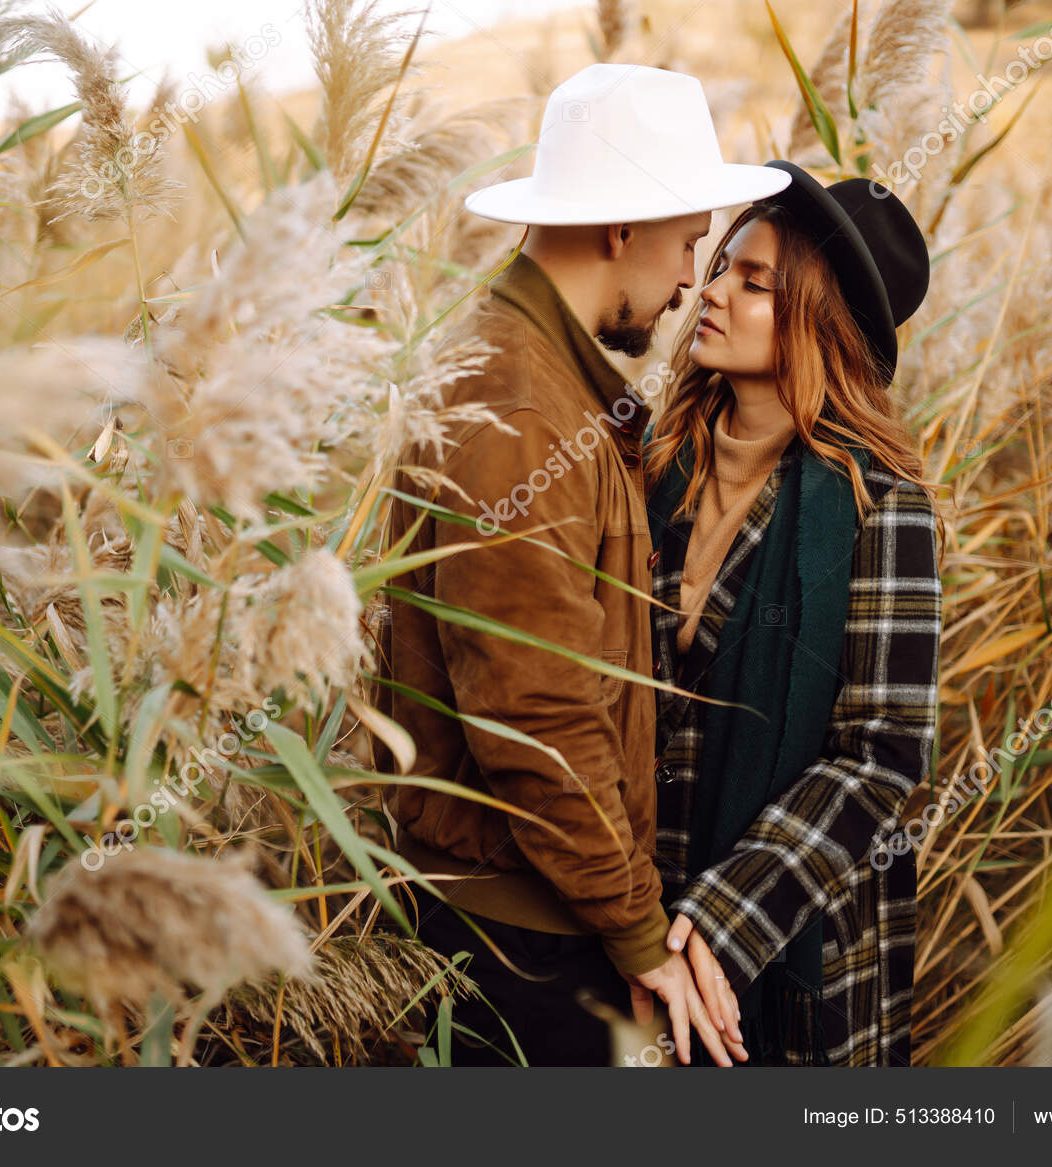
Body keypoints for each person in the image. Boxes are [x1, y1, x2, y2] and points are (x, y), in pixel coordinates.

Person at [376, 63, 790, 1066]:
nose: (694, 278)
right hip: (519, 940)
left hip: (540, 909)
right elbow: (536, 712)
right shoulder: (523, 412)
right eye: (691, 242)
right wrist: (638, 935)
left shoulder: (543, 381)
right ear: (621, 231)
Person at [642, 161, 945, 1066]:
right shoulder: (654, 466)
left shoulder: (881, 506)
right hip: (640, 922)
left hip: (790, 931)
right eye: (721, 263)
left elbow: (883, 754)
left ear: (819, 321)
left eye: (754, 281)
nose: (711, 290)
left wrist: (718, 920)